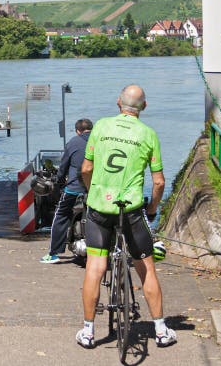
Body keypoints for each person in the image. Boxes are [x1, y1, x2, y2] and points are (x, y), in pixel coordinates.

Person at [76, 84, 176, 349]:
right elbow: (159, 183)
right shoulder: (148, 134)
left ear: (118, 102)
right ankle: (161, 330)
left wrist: (92, 192)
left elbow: (86, 168)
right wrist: (152, 208)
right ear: (144, 106)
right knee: (146, 267)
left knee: (95, 268)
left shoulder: (100, 127)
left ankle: (87, 331)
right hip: (130, 210)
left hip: (99, 208)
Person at [40, 118, 93, 264]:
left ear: (77, 131)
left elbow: (63, 166)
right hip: (95, 189)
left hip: (75, 188)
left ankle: (54, 253)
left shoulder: (73, 142)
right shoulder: (100, 142)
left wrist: (59, 180)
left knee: (61, 215)